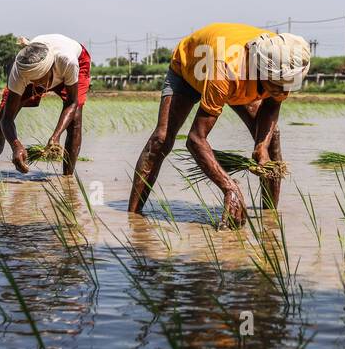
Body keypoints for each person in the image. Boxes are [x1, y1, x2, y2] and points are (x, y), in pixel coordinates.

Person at [128, 23, 311, 227]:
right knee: (161, 139)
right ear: (261, 71)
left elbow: (272, 104)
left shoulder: (281, 56)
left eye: (289, 86)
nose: (284, 93)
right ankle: (133, 218)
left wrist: (261, 146)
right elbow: (196, 139)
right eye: (277, 86)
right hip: (190, 70)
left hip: (235, 78)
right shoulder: (226, 70)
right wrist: (229, 187)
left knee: (271, 139)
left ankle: (269, 220)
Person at [0, 34, 90, 177]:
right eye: (32, 81)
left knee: (75, 119)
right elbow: (6, 119)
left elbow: (72, 102)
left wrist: (55, 137)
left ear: (50, 69)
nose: (37, 85)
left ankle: (67, 179)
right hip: (37, 70)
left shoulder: (68, 61)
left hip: (78, 60)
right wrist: (16, 146)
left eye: (39, 81)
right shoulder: (19, 71)